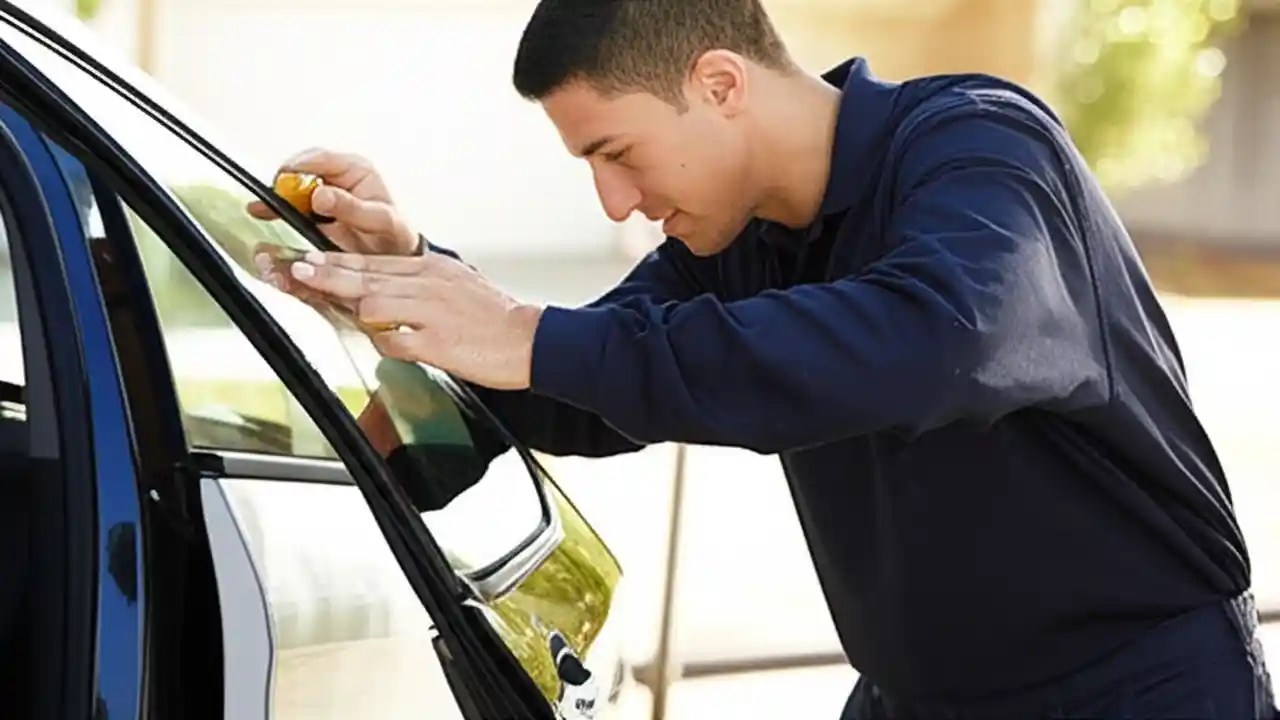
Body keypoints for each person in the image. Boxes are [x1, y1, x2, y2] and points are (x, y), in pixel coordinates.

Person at [248, 0, 1278, 716]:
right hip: (913, 698)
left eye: (614, 152)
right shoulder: (729, 243)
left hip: (1133, 692)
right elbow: (582, 388)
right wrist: (407, 279)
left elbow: (932, 339)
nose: (614, 202)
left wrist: (526, 334)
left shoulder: (980, 153)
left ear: (718, 82)